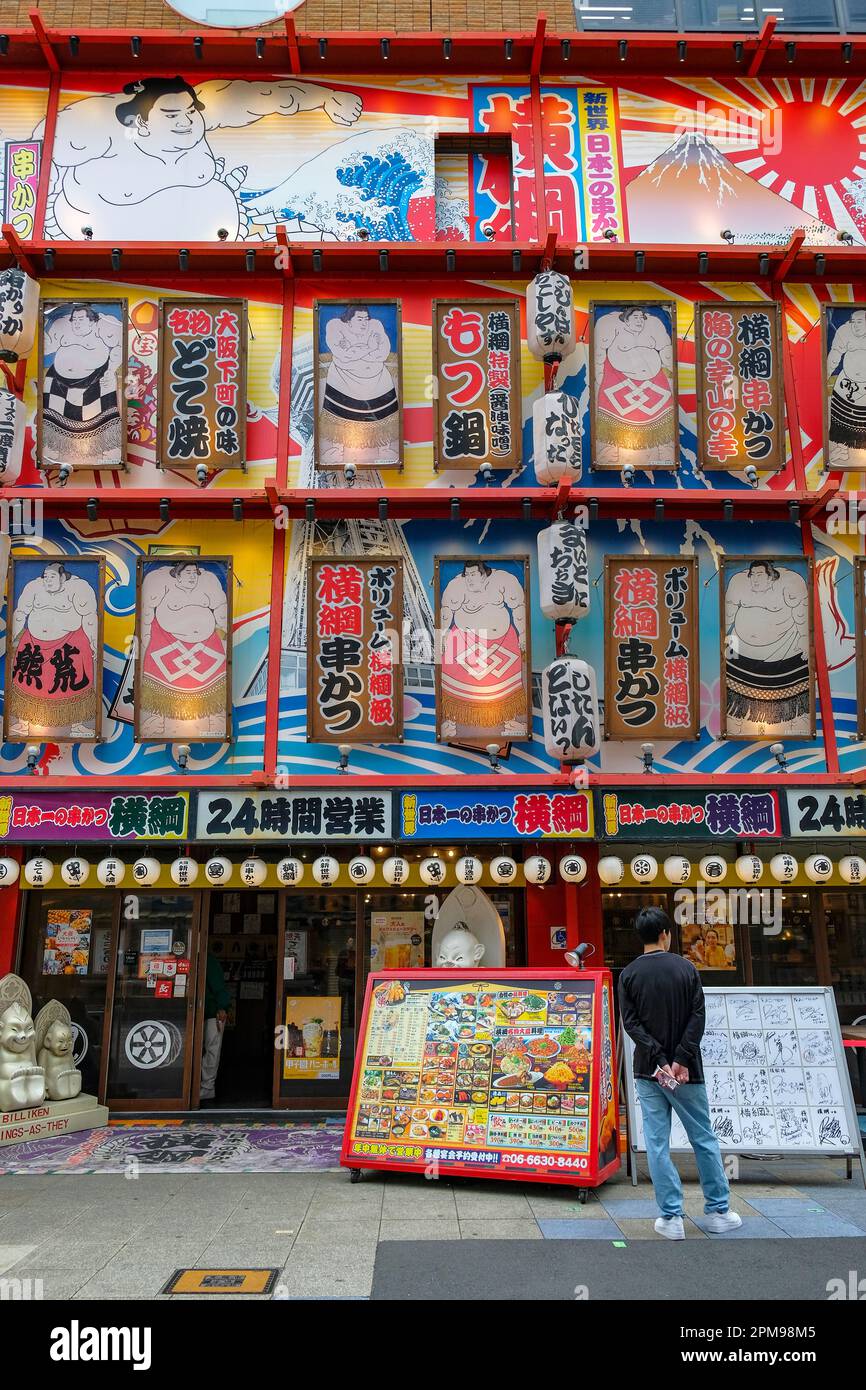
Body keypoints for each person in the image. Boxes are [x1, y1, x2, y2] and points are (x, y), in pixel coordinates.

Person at [618, 906, 742, 1240]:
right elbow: (697, 1016)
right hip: (687, 1073)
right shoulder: (687, 968)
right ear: (665, 934)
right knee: (703, 1138)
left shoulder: (628, 975)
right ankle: (718, 1212)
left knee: (657, 1144)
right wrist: (681, 1058)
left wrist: (657, 1057)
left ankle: (670, 1218)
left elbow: (631, 1023)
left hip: (649, 1072)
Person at [439, 560, 527, 741]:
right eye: (467, 574)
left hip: (501, 642)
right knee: (450, 680)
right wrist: (441, 636)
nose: (469, 579)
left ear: (484, 573)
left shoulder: (504, 580)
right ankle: (450, 722)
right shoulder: (456, 585)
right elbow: (446, 611)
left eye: (473, 574)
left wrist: (523, 633)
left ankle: (511, 722)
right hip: (465, 641)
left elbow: (518, 607)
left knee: (508, 682)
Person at [723, 558, 809, 734]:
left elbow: (801, 611)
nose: (755, 579)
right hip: (743, 647)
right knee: (736, 696)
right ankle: (736, 725)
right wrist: (723, 639)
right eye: (753, 574)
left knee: (791, 696)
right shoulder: (738, 583)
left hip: (783, 648)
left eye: (760, 574)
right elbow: (728, 613)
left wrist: (804, 638)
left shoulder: (791, 583)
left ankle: (796, 725)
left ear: (771, 576)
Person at [319, 306, 400, 468]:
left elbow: (382, 353)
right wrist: (369, 348)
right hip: (343, 377)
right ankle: (337, 449)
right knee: (339, 417)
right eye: (359, 319)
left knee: (384, 415)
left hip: (377, 377)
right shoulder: (335, 326)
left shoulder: (375, 325)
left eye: (366, 319)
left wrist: (357, 351)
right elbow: (343, 354)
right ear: (348, 320)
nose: (364, 323)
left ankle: (386, 448)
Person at [200, 950, 231, 1103]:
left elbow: (219, 987)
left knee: (211, 1050)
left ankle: (207, 1088)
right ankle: (201, 1088)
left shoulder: (208, 960)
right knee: (209, 1051)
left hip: (213, 1012)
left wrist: (222, 1007)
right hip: (201, 1011)